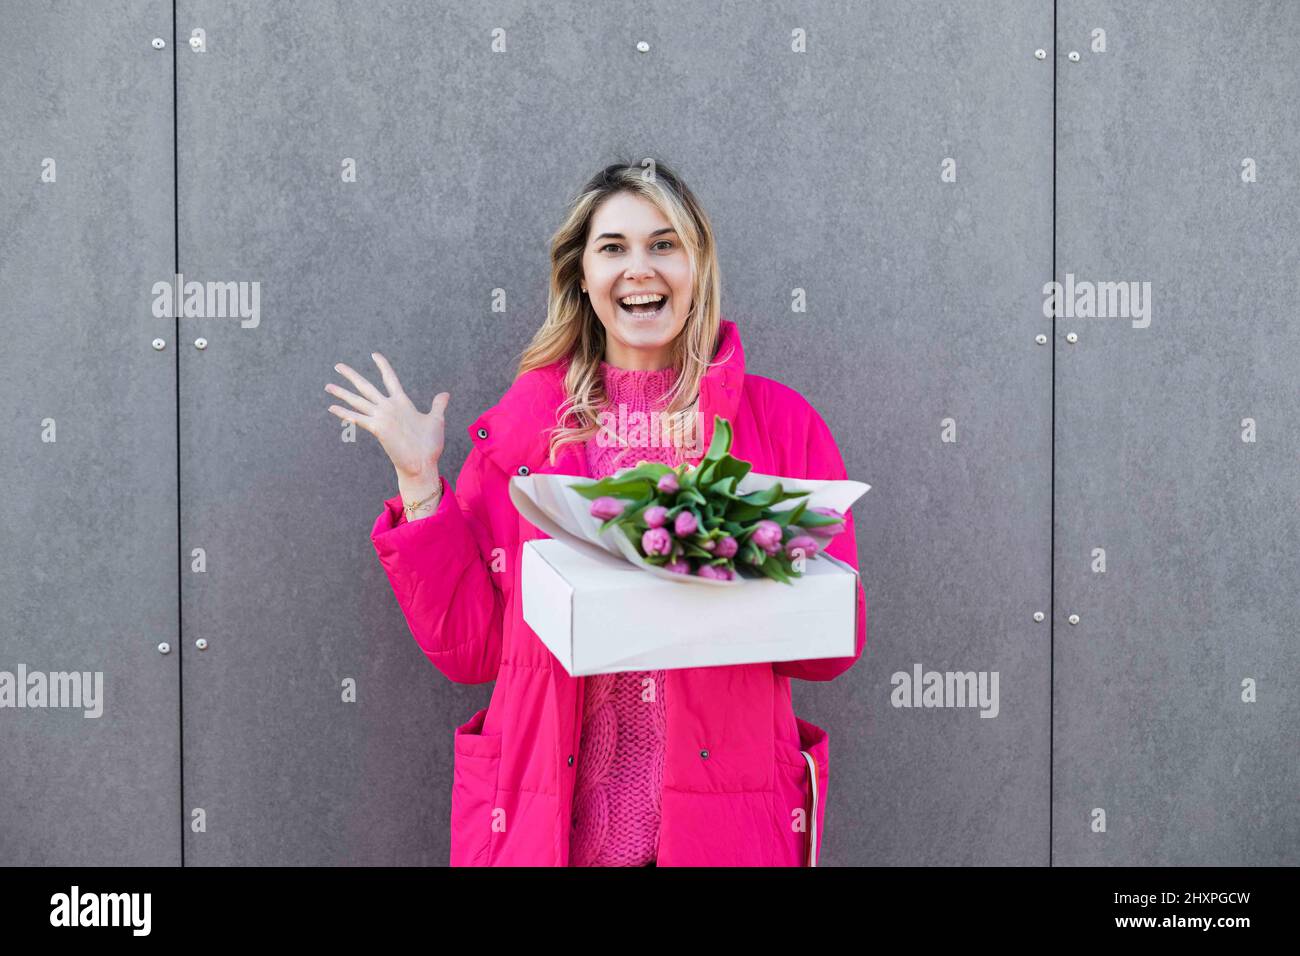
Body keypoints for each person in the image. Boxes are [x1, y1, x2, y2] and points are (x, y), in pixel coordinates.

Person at [325, 159, 868, 866]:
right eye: (613, 248)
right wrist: (418, 482)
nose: (639, 268)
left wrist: (732, 558)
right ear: (581, 275)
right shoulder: (523, 434)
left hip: (723, 831)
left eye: (663, 244)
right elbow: (473, 650)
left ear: (698, 264)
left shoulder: (778, 426)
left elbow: (830, 649)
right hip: (550, 832)